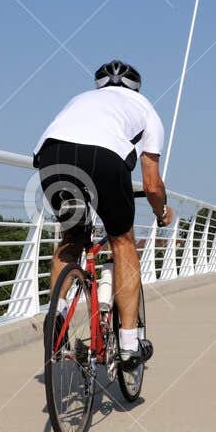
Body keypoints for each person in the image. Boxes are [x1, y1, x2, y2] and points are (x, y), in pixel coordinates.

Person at [35, 60, 174, 365]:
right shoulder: (146, 109)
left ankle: (56, 314)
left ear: (99, 86)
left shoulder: (79, 100)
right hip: (104, 157)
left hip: (52, 154)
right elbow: (152, 185)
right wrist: (163, 211)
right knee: (122, 240)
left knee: (72, 236)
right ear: (136, 87)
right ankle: (128, 344)